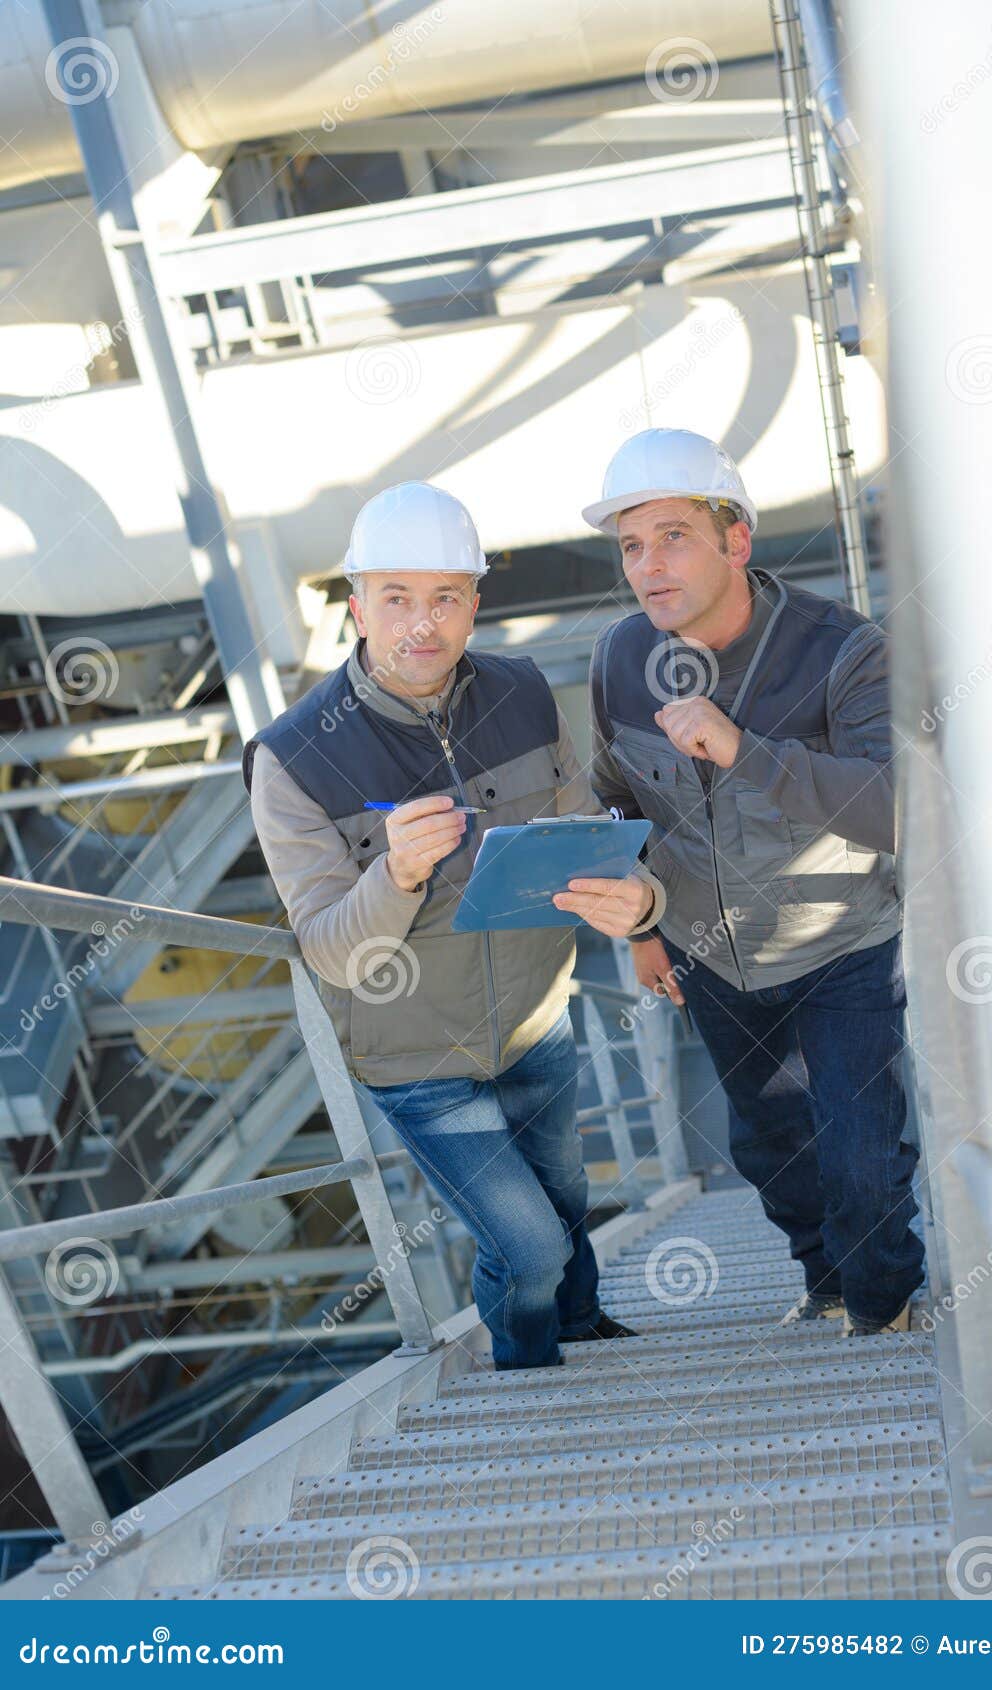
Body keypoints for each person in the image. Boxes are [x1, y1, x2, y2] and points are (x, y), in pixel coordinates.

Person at [244, 481, 666, 1370]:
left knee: (565, 1200)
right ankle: (528, 1371)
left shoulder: (523, 692)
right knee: (529, 1247)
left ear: (475, 603)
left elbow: (577, 822)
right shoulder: (291, 757)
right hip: (420, 1060)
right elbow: (331, 951)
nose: (421, 623)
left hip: (537, 1019)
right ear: (357, 607)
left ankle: (582, 1328)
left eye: (445, 597)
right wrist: (396, 874)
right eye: (396, 598)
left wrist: (630, 896)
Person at [583, 427, 925, 1337]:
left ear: (736, 540)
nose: (648, 567)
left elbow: (900, 809)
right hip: (711, 957)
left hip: (843, 948)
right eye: (631, 546)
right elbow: (616, 795)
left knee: (861, 1156)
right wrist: (645, 925)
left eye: (673, 537)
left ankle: (886, 1308)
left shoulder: (841, 651)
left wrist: (745, 751)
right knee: (772, 1151)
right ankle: (829, 1284)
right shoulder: (619, 659)